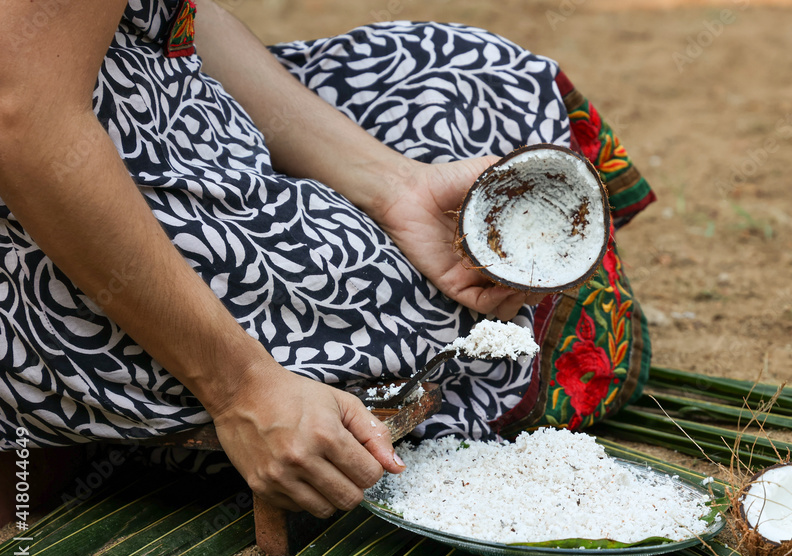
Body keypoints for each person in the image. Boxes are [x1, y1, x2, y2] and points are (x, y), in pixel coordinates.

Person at [0, 0, 655, 524]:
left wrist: (394, 186)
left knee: (489, 80)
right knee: (408, 301)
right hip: (52, 175)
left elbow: (178, 21)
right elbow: (24, 115)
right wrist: (241, 387)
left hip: (149, 91)